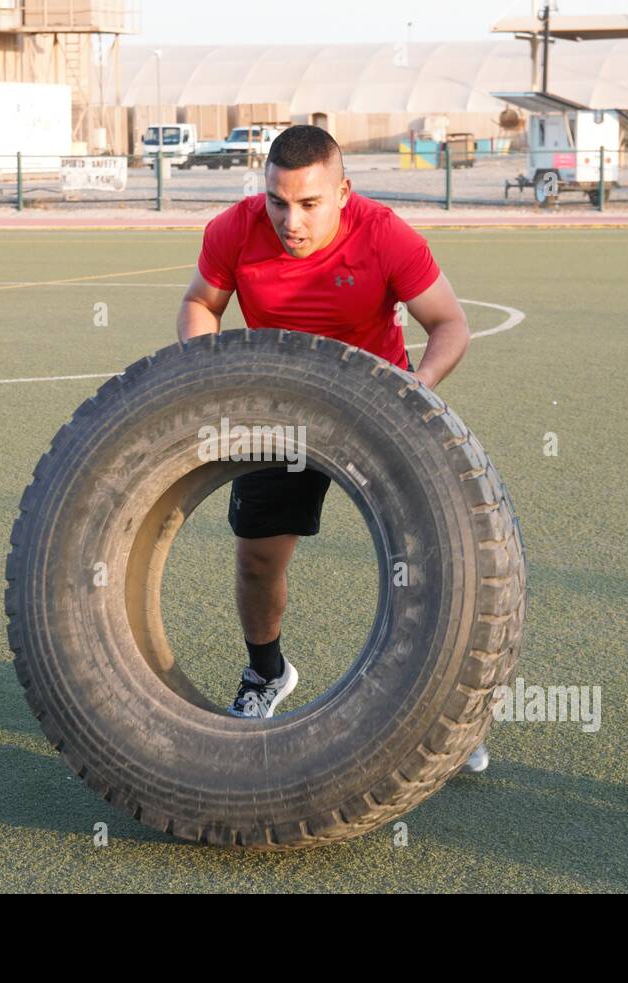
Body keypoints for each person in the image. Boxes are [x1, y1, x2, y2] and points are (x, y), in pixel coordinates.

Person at [175, 124, 489, 773]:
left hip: (376, 404)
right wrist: (209, 367)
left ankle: (444, 707)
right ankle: (267, 673)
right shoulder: (232, 230)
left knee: (431, 562)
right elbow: (201, 303)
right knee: (258, 559)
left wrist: (415, 389)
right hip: (283, 411)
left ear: (343, 192)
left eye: (310, 204)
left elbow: (451, 324)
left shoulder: (384, 234)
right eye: (277, 201)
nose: (291, 220)